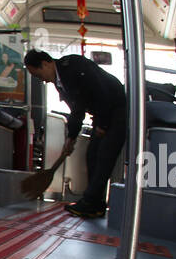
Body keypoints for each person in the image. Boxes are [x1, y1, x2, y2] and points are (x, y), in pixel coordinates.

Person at [24, 49, 128, 218]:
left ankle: (90, 202)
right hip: (103, 113)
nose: (40, 79)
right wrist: (71, 138)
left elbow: (100, 90)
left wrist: (103, 124)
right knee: (92, 155)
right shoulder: (60, 81)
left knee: (104, 156)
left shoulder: (72, 67)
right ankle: (96, 204)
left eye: (38, 74)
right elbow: (77, 110)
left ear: (45, 63)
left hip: (117, 110)